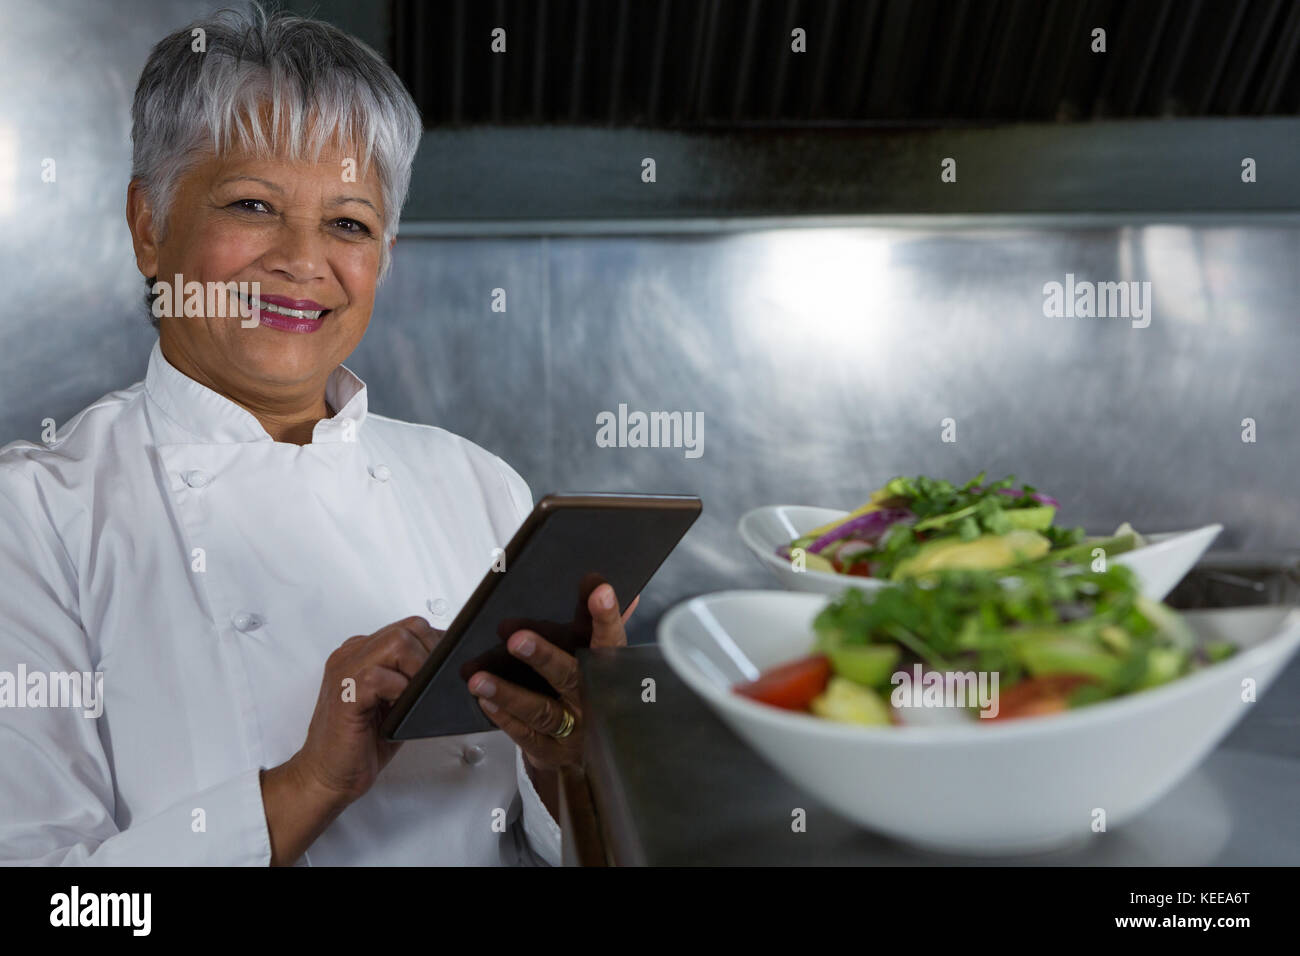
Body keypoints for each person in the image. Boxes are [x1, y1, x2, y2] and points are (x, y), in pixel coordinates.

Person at [0, 4, 633, 866]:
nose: (303, 261)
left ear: (385, 256)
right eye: (253, 205)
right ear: (150, 226)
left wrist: (570, 761)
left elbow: (560, 845)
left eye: (348, 223)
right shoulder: (36, 514)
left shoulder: (478, 485)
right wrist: (311, 783)